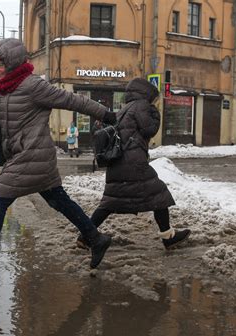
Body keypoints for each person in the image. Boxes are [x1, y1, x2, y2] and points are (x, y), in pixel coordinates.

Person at [0, 38, 117, 276]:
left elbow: (72, 100)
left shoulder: (32, 86)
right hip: (26, 155)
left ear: (13, 63)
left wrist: (106, 114)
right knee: (59, 200)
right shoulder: (5, 89)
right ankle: (96, 238)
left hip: (32, 155)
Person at [76, 78, 191, 250]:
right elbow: (148, 129)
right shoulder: (141, 106)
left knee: (110, 201)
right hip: (134, 162)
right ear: (147, 93)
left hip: (120, 162)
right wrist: (156, 114)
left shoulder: (125, 108)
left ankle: (85, 237)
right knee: (159, 194)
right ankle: (169, 237)